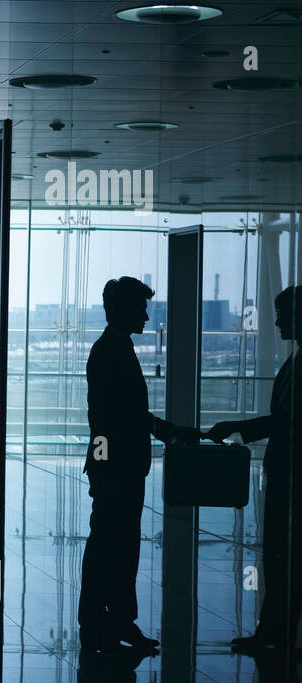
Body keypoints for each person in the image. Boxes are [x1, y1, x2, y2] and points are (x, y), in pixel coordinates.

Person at [79, 275, 198, 654]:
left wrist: (164, 430)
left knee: (116, 545)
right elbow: (119, 416)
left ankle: (110, 624)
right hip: (117, 467)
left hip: (118, 465)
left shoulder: (115, 348)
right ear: (125, 310)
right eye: (141, 308)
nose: (147, 315)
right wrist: (166, 430)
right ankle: (104, 626)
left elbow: (122, 414)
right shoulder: (111, 352)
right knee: (113, 547)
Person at [208, 286, 302, 654]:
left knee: (285, 555)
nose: (276, 321)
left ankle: (277, 632)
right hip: (285, 473)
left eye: (282, 313)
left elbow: (288, 421)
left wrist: (238, 426)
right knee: (279, 553)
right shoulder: (295, 361)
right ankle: (275, 631)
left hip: (293, 475)